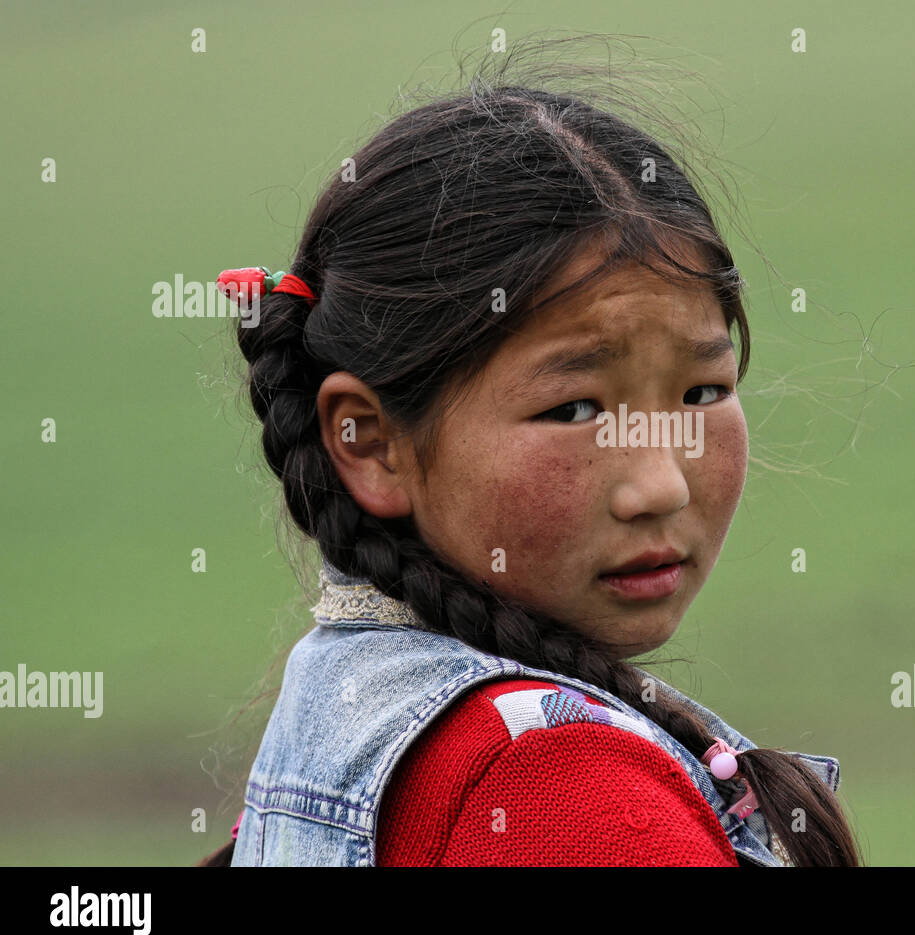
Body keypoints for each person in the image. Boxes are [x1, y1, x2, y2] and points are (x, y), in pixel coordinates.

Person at [198, 42, 860, 867]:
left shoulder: (344, 709)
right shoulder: (562, 788)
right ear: (370, 442)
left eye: (700, 395)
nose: (657, 484)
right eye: (574, 409)